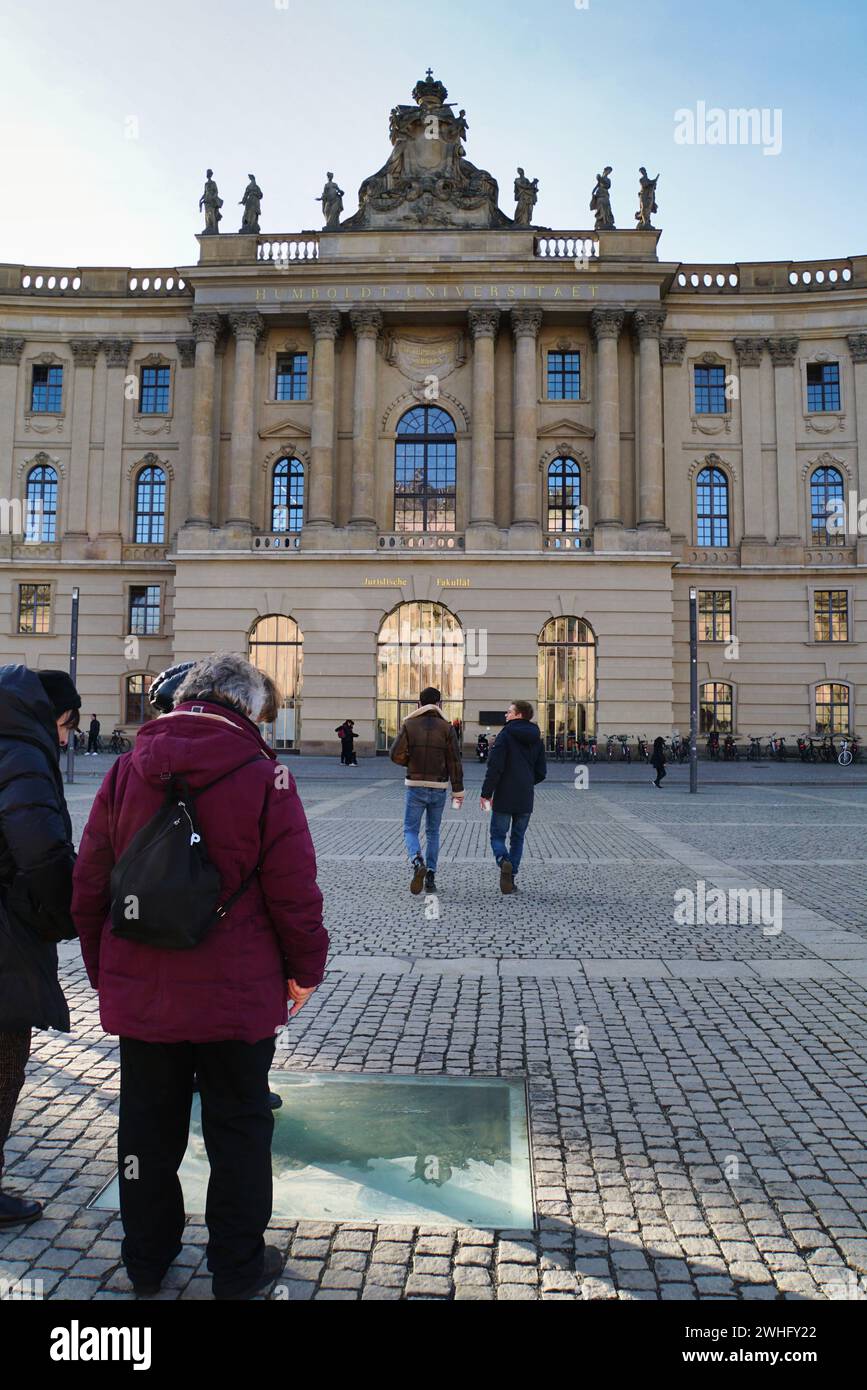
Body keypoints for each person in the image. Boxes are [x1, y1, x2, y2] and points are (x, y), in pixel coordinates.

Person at [72, 652, 329, 1300]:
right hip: (238, 995)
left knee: (145, 1131)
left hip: (146, 990)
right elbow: (294, 891)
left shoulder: (128, 768)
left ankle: (147, 1262)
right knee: (238, 1127)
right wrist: (303, 973)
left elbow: (90, 881)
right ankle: (238, 1268)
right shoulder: (265, 775)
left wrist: (105, 971)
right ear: (244, 708)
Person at [0, 666, 80, 1228]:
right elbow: (43, 852)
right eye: (68, 725)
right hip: (7, 931)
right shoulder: (22, 754)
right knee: (4, 1062)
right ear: (54, 717)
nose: (68, 738)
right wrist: (70, 912)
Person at [389, 686, 464, 896]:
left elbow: (395, 754)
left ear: (418, 704)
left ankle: (416, 860)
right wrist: (458, 790)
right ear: (439, 704)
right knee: (433, 832)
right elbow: (454, 761)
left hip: (415, 786)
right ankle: (430, 875)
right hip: (438, 787)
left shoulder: (409, 725)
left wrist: (410, 762)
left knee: (410, 829)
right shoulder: (447, 728)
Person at [480, 700, 546, 896]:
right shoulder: (537, 737)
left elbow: (495, 767)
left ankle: (503, 861)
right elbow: (541, 772)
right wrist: (525, 783)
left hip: (504, 795)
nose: (506, 715)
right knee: (518, 838)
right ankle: (511, 877)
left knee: (498, 836)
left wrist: (486, 793)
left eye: (509, 712)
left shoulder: (506, 734)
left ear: (519, 715)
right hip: (525, 796)